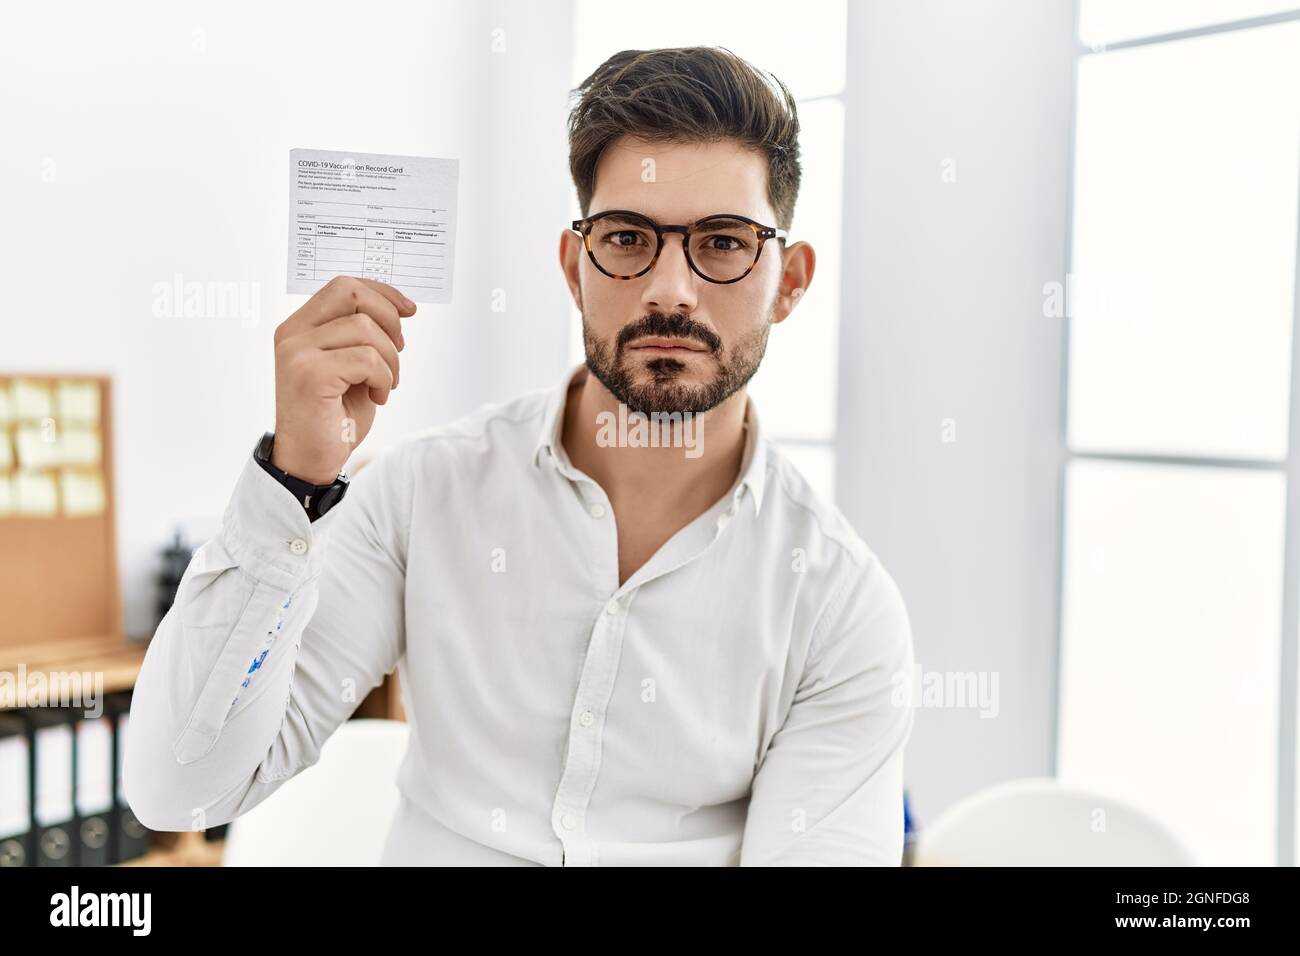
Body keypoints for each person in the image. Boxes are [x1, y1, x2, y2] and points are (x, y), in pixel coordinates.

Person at [125, 45, 915, 866]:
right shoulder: (421, 494)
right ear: (576, 268)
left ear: (788, 282)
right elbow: (182, 788)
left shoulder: (841, 609)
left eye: (722, 243)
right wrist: (293, 479)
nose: (669, 289)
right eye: (627, 236)